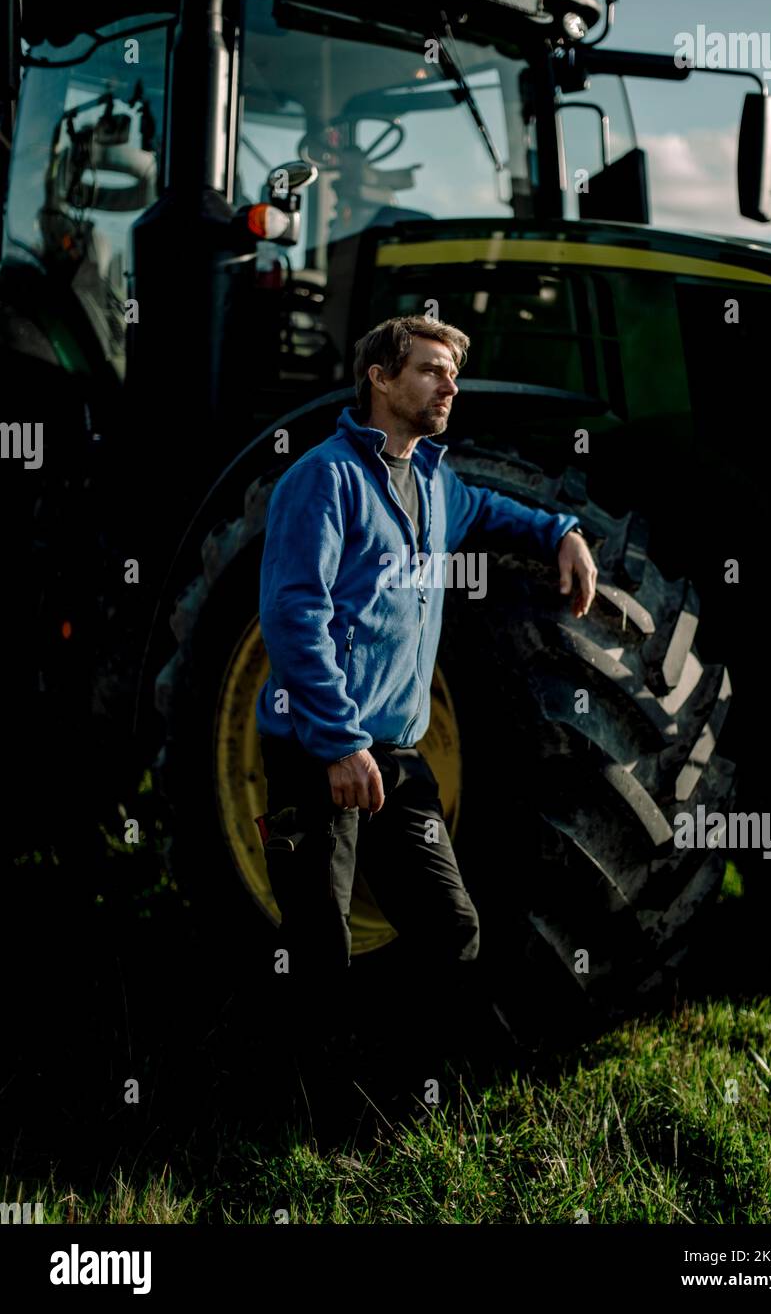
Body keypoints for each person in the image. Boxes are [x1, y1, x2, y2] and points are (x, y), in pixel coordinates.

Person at [255, 314, 597, 1135]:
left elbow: (494, 512)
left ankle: (394, 1098)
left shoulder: (436, 484)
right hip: (319, 750)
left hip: (397, 757)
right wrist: (337, 742)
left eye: (452, 375)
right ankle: (308, 1123)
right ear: (379, 376)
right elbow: (293, 614)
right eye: (431, 371)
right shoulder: (324, 479)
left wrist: (563, 532)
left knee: (451, 930)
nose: (449, 387)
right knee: (320, 949)